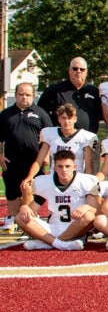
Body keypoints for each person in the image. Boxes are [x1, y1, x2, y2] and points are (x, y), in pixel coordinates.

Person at [15, 150, 99, 250]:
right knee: (20, 217)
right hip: (52, 227)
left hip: (76, 227)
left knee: (89, 216)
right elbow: (31, 203)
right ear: (55, 168)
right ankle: (60, 243)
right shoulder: (45, 182)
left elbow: (96, 210)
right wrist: (24, 206)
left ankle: (50, 243)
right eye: (60, 166)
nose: (64, 170)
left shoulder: (86, 181)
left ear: (74, 167)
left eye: (67, 166)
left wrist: (87, 207)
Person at [0, 82, 53, 231]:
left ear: (33, 95)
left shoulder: (41, 114)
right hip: (11, 160)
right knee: (12, 190)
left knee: (29, 189)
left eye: (28, 94)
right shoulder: (5, 114)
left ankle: (26, 217)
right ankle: (11, 218)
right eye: (21, 94)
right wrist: (0, 155)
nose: (24, 97)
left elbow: (48, 137)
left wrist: (46, 156)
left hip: (33, 161)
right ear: (16, 95)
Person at [22, 104, 97, 190]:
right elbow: (39, 161)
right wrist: (29, 177)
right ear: (59, 119)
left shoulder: (85, 137)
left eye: (69, 118)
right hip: (54, 178)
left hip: (76, 178)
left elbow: (88, 167)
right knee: (27, 187)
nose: (67, 121)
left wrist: (89, 183)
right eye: (64, 118)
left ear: (75, 119)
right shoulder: (50, 134)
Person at [37, 56, 102, 134]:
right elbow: (41, 113)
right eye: (75, 68)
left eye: (82, 69)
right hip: (62, 141)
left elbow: (100, 115)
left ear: (86, 72)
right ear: (69, 70)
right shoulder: (55, 90)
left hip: (88, 141)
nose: (78, 71)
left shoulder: (94, 91)